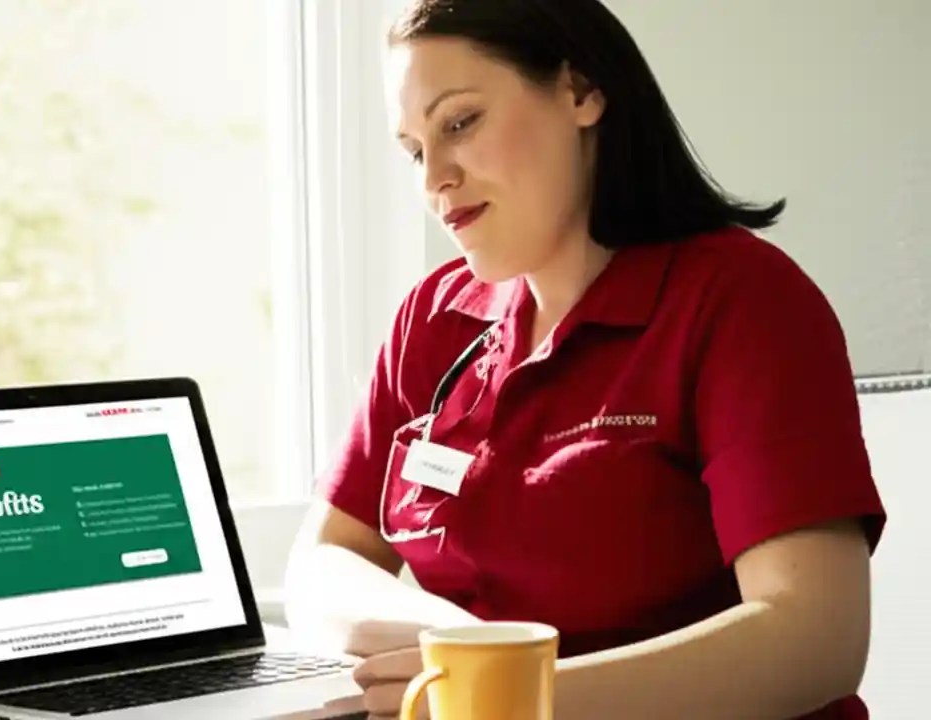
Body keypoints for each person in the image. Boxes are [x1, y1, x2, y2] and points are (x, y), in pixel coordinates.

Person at [282, 1, 887, 718]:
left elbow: (816, 638)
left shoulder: (742, 302)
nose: (433, 178)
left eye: (460, 123)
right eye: (416, 149)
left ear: (580, 91)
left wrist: (513, 694)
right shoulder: (434, 320)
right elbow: (318, 566)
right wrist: (457, 641)